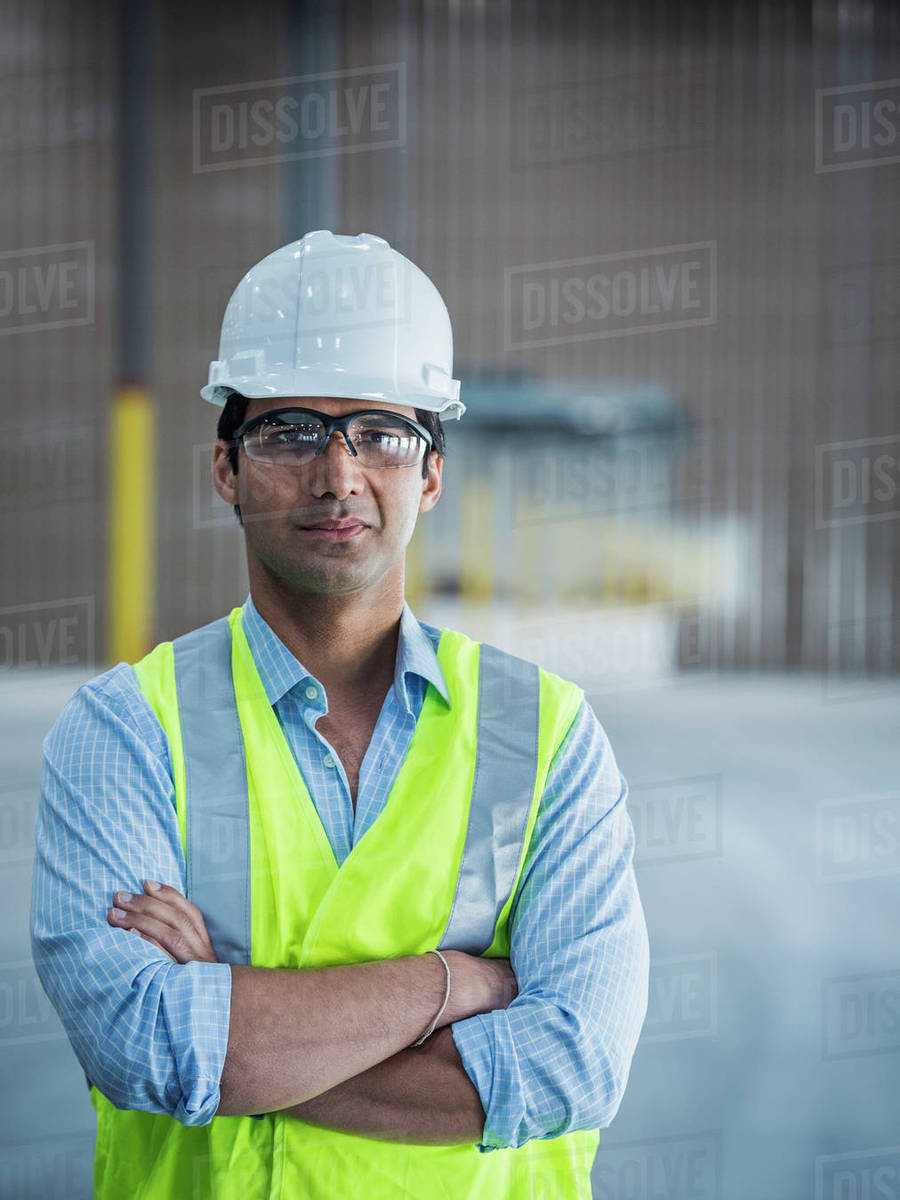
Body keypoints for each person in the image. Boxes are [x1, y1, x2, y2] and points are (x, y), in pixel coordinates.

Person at [30, 230, 649, 1199]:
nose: (337, 474)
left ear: (431, 473)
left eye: (380, 432)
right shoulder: (124, 733)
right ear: (227, 468)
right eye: (288, 430)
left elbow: (571, 1068)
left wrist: (236, 1033)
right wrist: (459, 984)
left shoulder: (548, 737)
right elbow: (144, 1045)